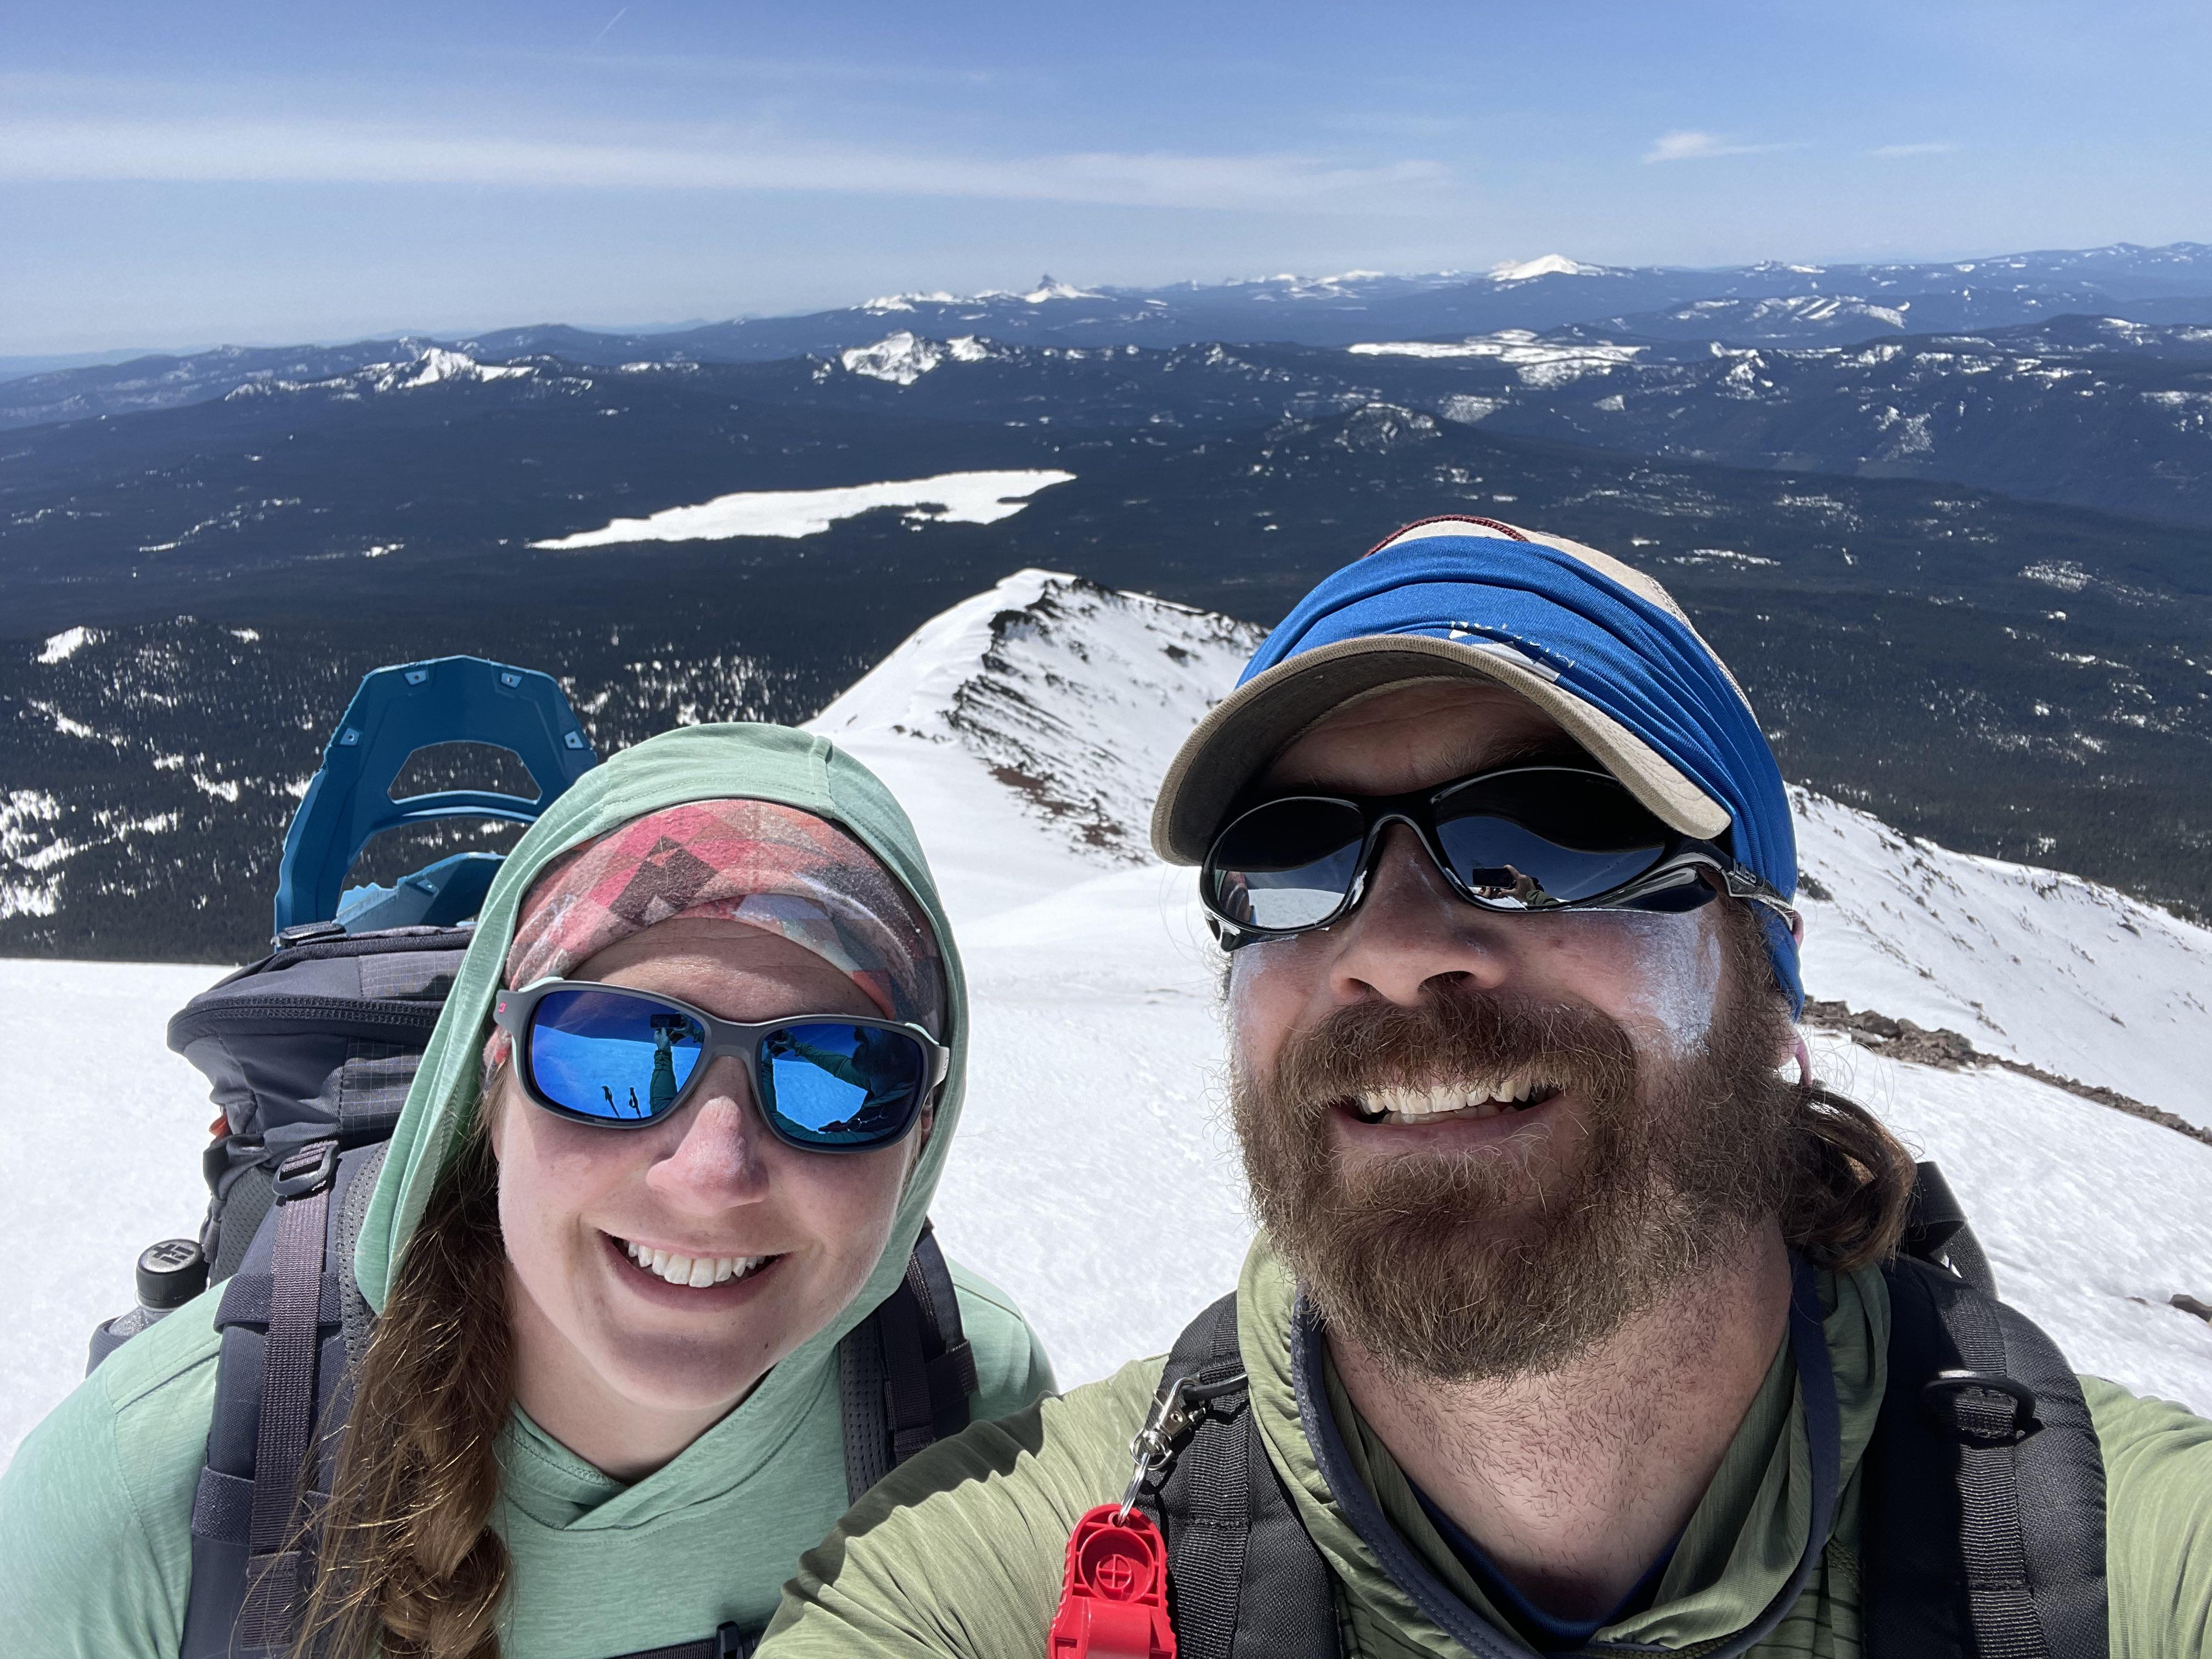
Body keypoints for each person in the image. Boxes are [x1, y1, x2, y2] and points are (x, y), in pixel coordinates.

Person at [757, 517, 2212, 1657]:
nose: (1391, 948)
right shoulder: (991, 1582)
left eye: (1550, 842)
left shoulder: (2117, 1563)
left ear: (1766, 976)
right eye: (1297, 865)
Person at [0, 722, 1055, 1659]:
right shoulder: (143, 1497)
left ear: (921, 1132)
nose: (713, 1171)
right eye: (616, 1052)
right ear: (490, 1079)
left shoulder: (973, 1402)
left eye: (841, 1076)